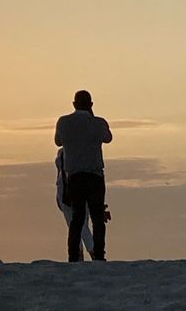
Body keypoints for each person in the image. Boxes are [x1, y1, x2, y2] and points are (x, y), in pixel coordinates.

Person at [54, 90, 112, 262]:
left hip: (74, 176)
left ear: (74, 104)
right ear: (91, 105)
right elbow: (108, 138)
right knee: (97, 218)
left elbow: (58, 141)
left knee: (77, 219)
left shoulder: (64, 122)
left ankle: (73, 255)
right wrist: (92, 117)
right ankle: (99, 255)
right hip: (94, 175)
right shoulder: (98, 123)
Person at [56, 148, 94, 259]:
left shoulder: (78, 151)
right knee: (78, 226)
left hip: (77, 191)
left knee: (81, 226)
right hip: (66, 193)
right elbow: (60, 175)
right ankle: (81, 255)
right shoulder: (62, 152)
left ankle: (93, 254)